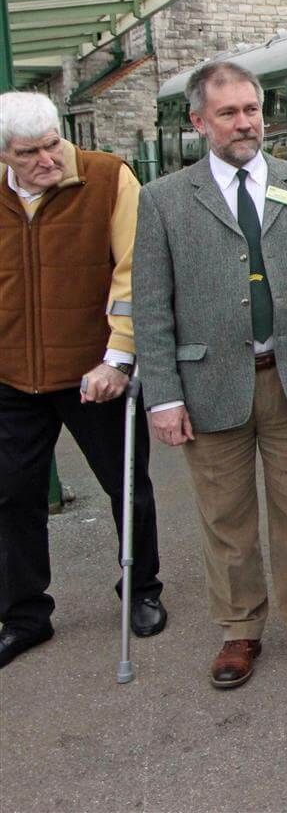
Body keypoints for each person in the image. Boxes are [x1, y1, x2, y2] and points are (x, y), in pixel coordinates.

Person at [133, 60, 287, 689]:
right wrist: (162, 398)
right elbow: (152, 306)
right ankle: (240, 630)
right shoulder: (164, 201)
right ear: (199, 121)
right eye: (228, 113)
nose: (244, 123)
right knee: (225, 515)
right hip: (206, 385)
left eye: (252, 110)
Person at [0, 92, 166, 670]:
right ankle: (24, 615)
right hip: (12, 375)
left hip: (94, 370)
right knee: (11, 495)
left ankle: (142, 589)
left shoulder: (108, 178)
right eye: (29, 153)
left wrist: (118, 358)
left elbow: (134, 272)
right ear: (5, 154)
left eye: (53, 144)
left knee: (127, 486)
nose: (48, 160)